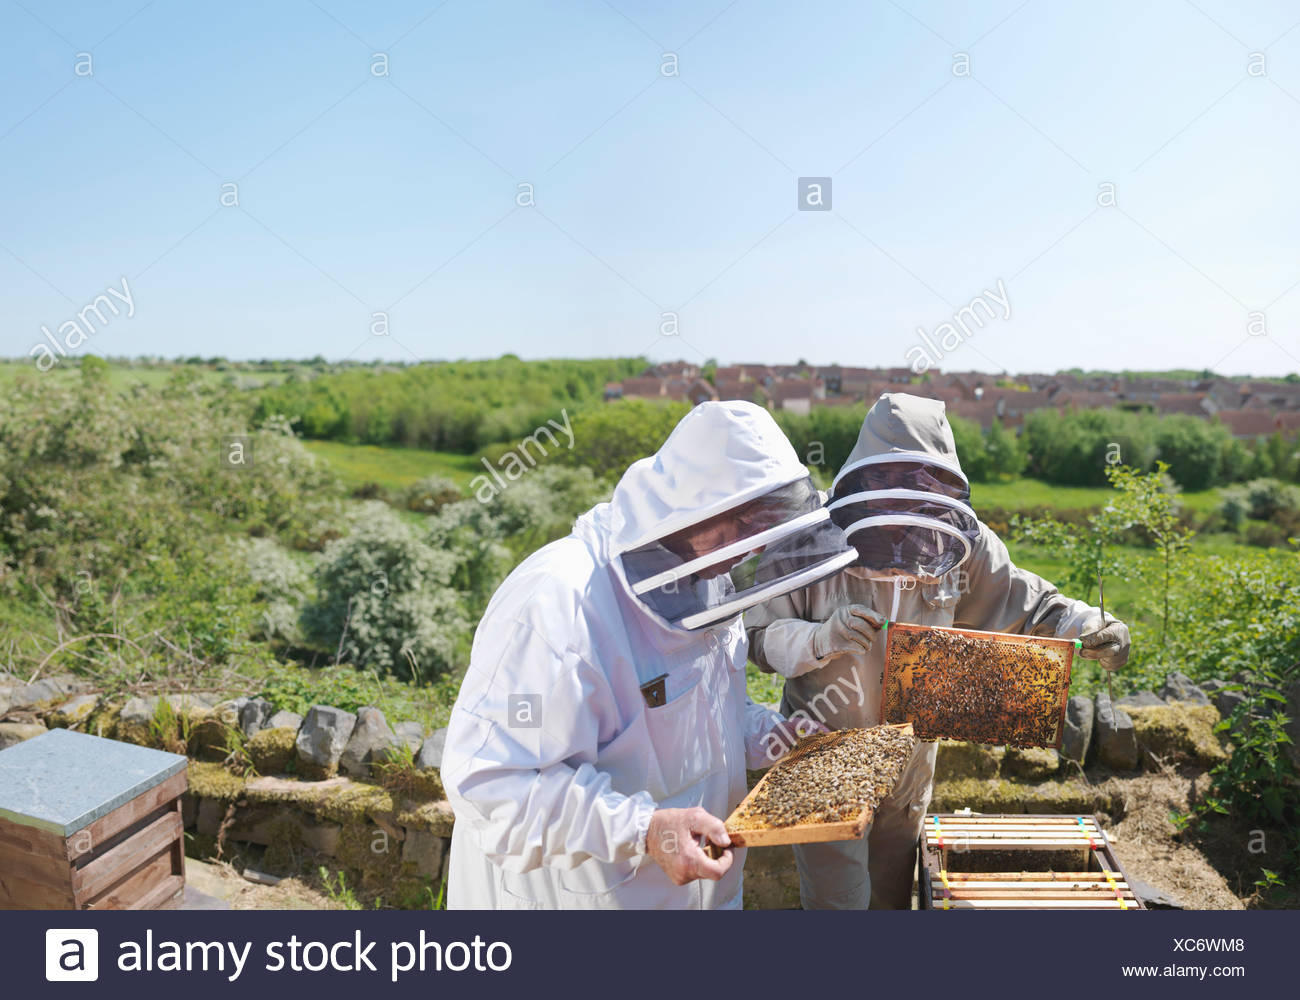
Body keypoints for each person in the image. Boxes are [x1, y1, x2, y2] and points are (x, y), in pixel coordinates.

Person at [443, 400, 857, 909]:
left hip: (704, 894)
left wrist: (770, 736)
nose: (753, 551)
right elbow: (491, 782)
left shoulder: (708, 579)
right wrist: (643, 829)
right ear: (702, 508)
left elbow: (708, 714)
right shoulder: (555, 603)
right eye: (746, 530)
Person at [745, 393, 1131, 910]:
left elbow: (1027, 604)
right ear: (864, 476)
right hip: (821, 752)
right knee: (838, 903)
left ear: (941, 482)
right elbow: (755, 639)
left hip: (912, 758)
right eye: (890, 481)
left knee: (891, 895)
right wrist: (817, 640)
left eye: (921, 485)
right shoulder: (804, 541)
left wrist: (1090, 624)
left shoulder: (962, 542)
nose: (905, 504)